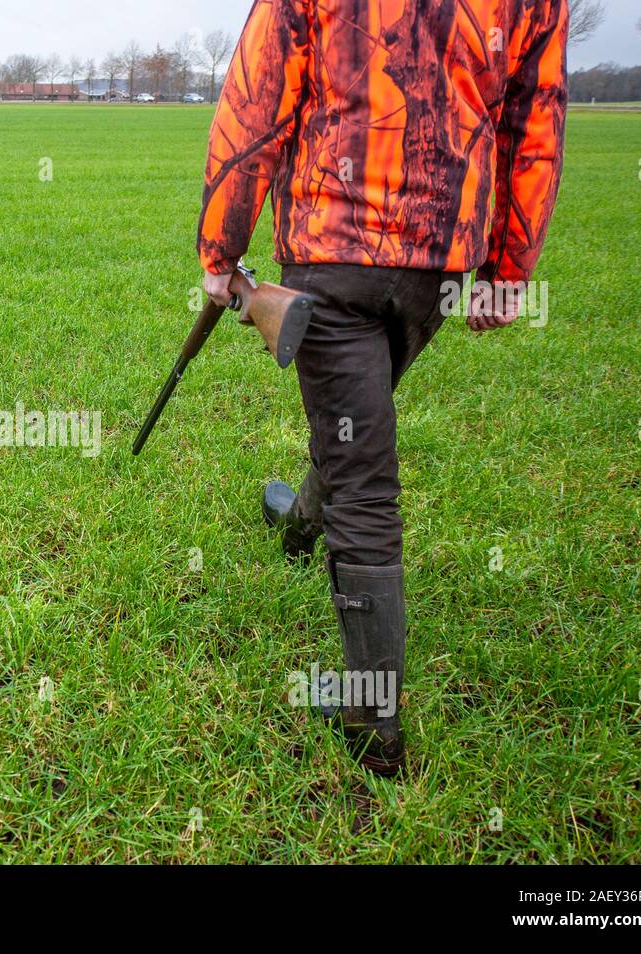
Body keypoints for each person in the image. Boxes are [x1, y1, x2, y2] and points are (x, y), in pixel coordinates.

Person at [198, 0, 568, 776]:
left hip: (334, 248)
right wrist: (508, 265)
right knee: (355, 414)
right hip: (439, 258)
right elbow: (535, 120)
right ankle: (300, 522)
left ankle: (372, 714)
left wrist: (220, 247)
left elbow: (257, 101)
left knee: (362, 474)